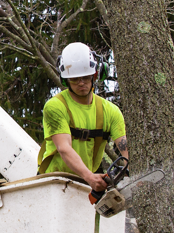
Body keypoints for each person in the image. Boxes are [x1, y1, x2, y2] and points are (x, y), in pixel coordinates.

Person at [38, 42, 128, 193]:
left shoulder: (110, 111)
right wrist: (91, 177)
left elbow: (124, 147)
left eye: (86, 77)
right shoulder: (55, 106)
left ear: (94, 75)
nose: (81, 83)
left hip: (85, 183)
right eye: (75, 79)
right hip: (54, 182)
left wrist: (129, 172)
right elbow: (64, 148)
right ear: (66, 79)